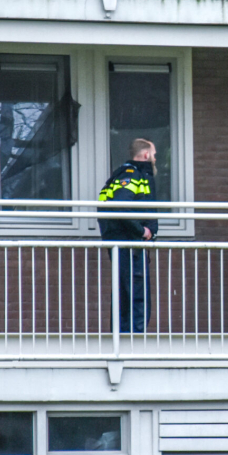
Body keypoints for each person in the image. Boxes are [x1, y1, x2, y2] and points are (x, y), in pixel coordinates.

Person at [98, 138, 158, 333]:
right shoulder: (132, 175)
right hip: (129, 244)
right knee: (135, 294)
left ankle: (124, 338)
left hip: (123, 242)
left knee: (126, 293)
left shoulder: (123, 175)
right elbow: (120, 207)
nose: (155, 158)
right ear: (147, 155)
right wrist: (141, 231)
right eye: (155, 154)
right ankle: (133, 342)